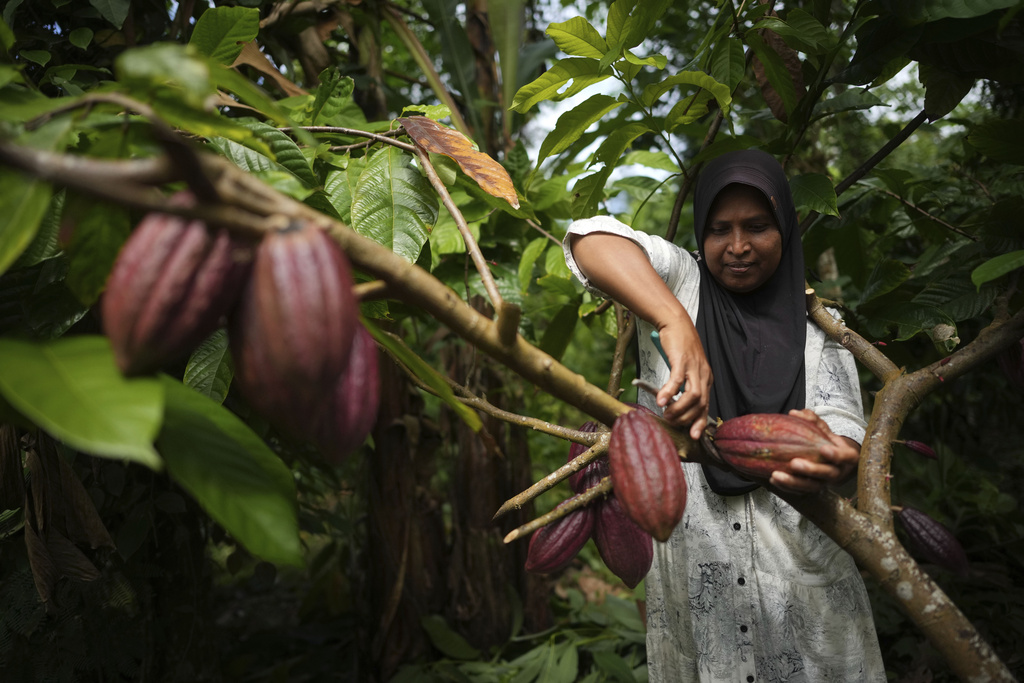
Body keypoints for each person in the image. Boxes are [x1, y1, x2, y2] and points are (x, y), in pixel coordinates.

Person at [563, 150, 886, 682]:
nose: (737, 246)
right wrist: (674, 321)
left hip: (801, 582)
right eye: (720, 230)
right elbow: (588, 239)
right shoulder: (680, 283)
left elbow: (846, 428)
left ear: (785, 226)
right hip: (699, 578)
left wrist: (834, 458)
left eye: (757, 226)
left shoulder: (822, 331)